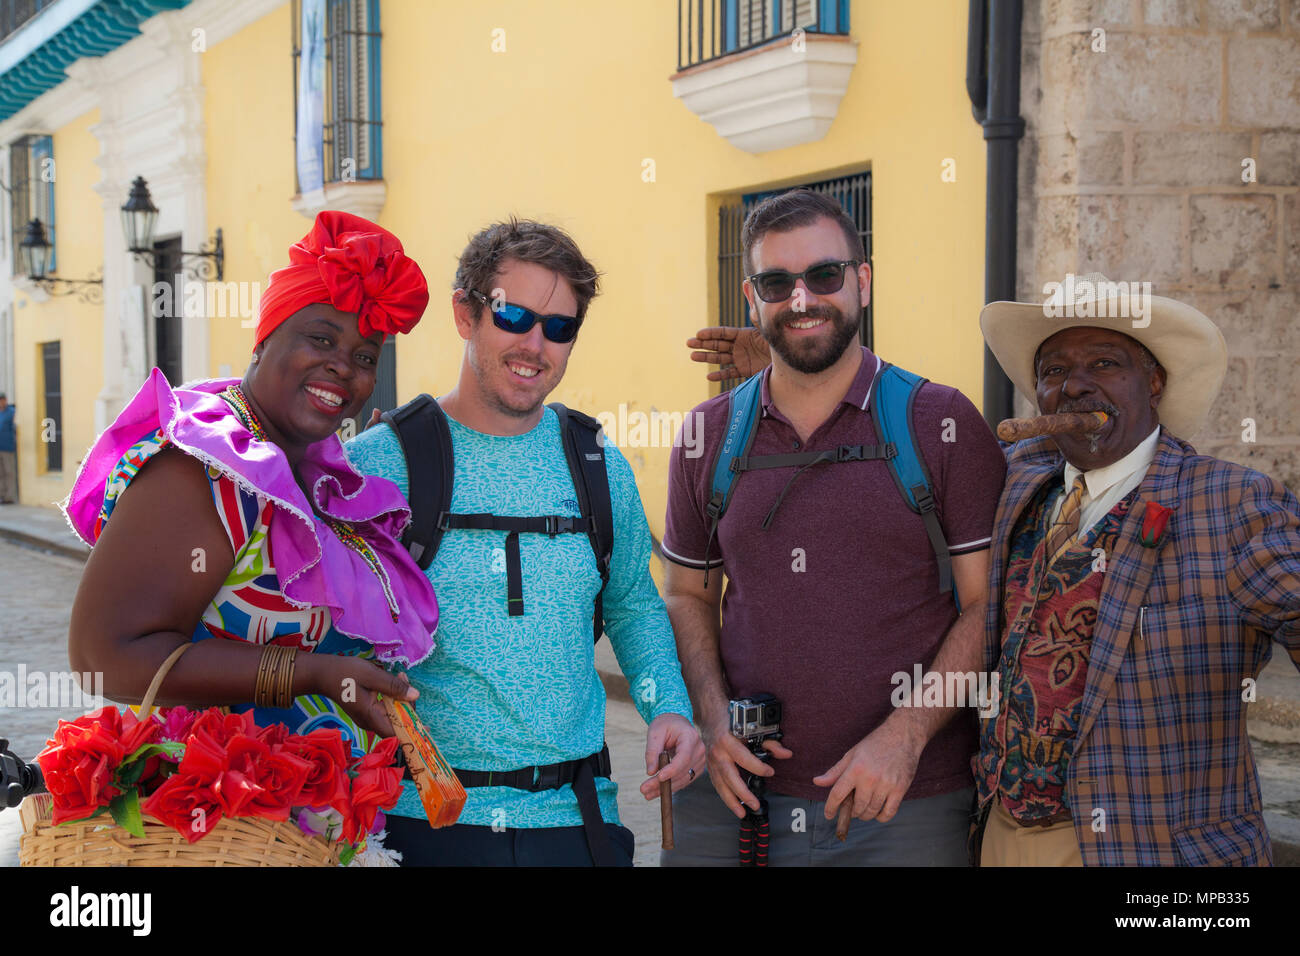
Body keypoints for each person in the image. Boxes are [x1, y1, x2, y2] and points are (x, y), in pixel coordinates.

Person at [661, 189, 1007, 866]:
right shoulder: (707, 435)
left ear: (863, 281)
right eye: (776, 282)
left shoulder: (940, 423)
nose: (801, 299)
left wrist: (905, 737)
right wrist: (711, 716)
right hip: (734, 796)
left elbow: (988, 605)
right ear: (751, 296)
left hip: (903, 802)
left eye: (824, 276)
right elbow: (687, 596)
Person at [344, 217, 700, 866]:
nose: (535, 343)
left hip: (578, 822)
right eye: (512, 315)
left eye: (559, 327)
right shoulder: (381, 465)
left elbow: (631, 606)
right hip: (422, 822)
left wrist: (668, 710)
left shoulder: (596, 462)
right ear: (464, 313)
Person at [62, 211, 438, 770]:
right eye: (321, 338)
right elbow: (102, 658)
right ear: (264, 340)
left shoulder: (319, 482)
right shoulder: (202, 471)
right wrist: (314, 676)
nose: (343, 366)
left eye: (364, 358)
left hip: (302, 828)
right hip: (209, 825)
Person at [971, 278, 1300, 865]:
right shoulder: (1019, 477)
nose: (1074, 385)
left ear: (1153, 383)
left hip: (1152, 852)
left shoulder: (1233, 503)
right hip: (1002, 834)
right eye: (1053, 371)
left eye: (1104, 362)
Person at [0, 392, 15, 504]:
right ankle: (2, 495)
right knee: (1, 473)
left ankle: (9, 497)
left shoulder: (11, 412)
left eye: (2, 400)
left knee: (9, 472)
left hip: (7, 447)